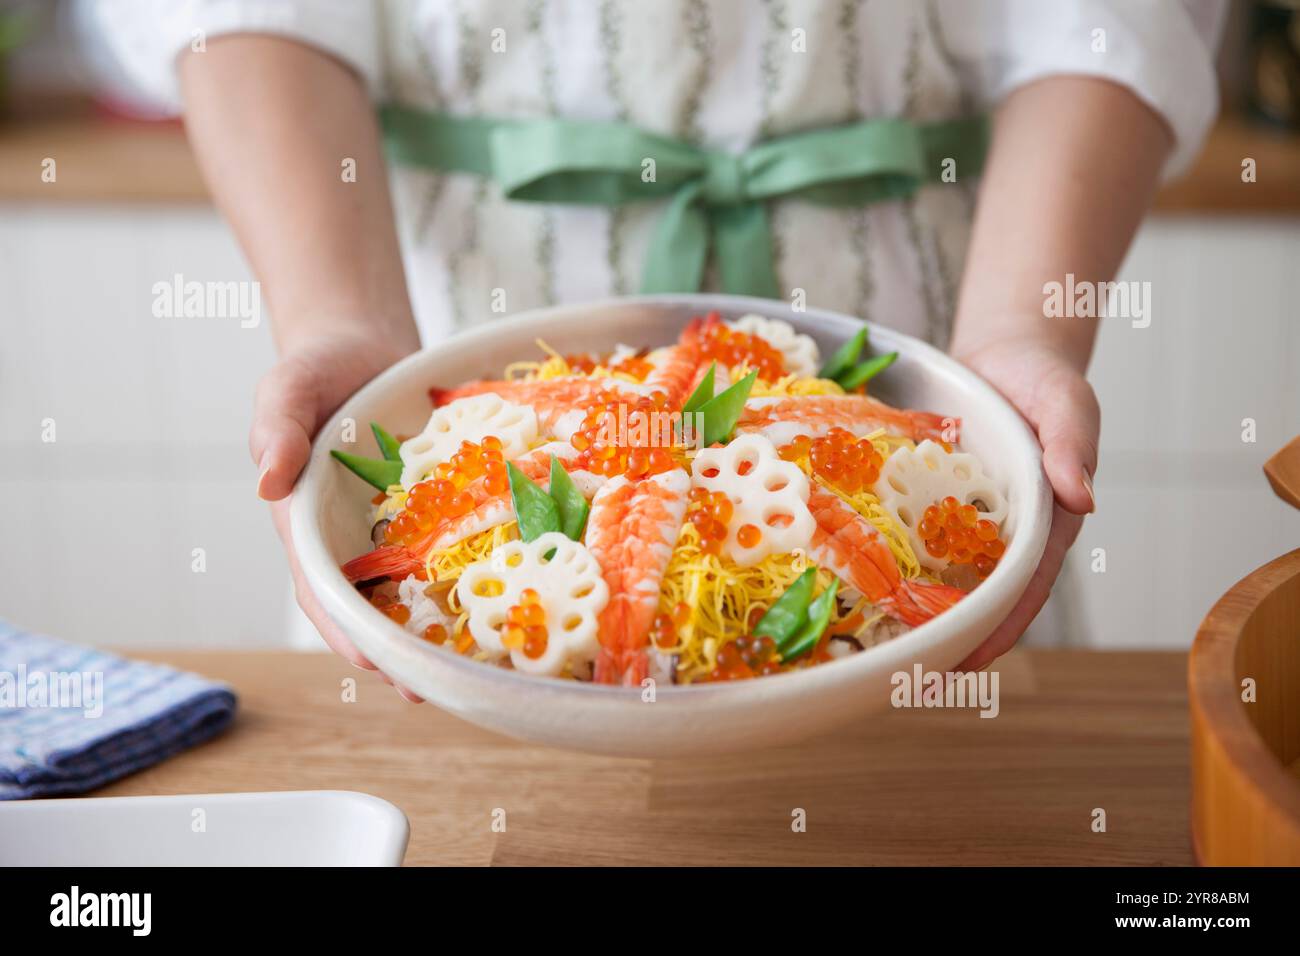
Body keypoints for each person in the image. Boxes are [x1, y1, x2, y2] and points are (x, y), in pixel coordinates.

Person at [98, 0, 1224, 700]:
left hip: (934, 335)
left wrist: (1013, 341)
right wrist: (340, 328)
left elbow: (1106, 18)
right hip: (443, 355)